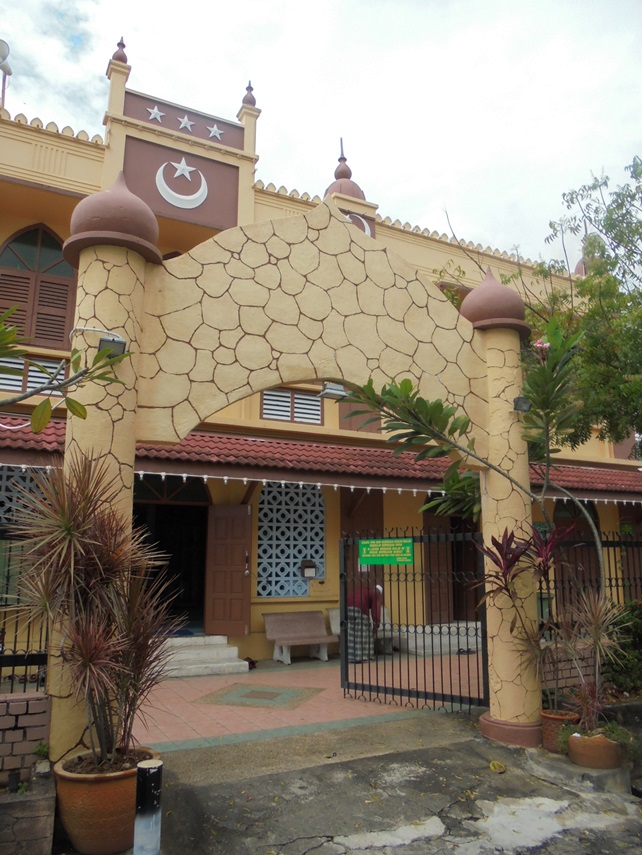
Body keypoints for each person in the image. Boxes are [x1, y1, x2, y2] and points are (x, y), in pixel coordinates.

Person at [346, 569, 382, 662]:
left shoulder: (365, 591)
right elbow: (375, 612)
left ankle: (350, 656)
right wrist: (375, 626)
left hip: (347, 607)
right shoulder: (375, 595)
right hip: (359, 608)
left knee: (352, 631)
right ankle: (362, 657)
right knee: (364, 631)